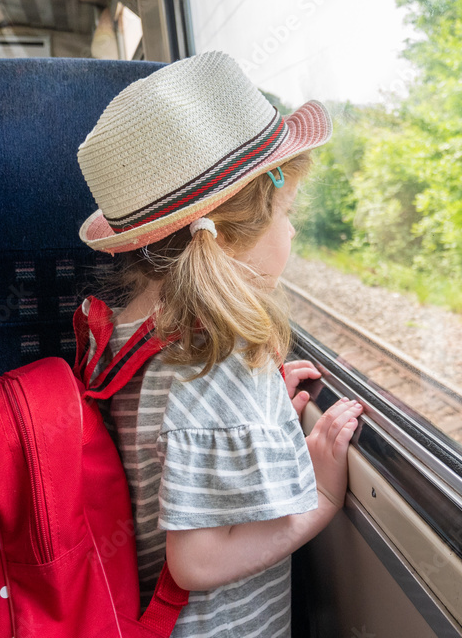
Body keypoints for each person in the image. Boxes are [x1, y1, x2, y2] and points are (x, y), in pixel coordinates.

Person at [75, 50, 362, 636]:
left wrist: (254, 424)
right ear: (231, 237)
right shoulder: (217, 359)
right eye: (287, 212)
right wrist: (321, 501)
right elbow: (197, 560)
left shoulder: (130, 331)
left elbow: (168, 451)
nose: (293, 230)